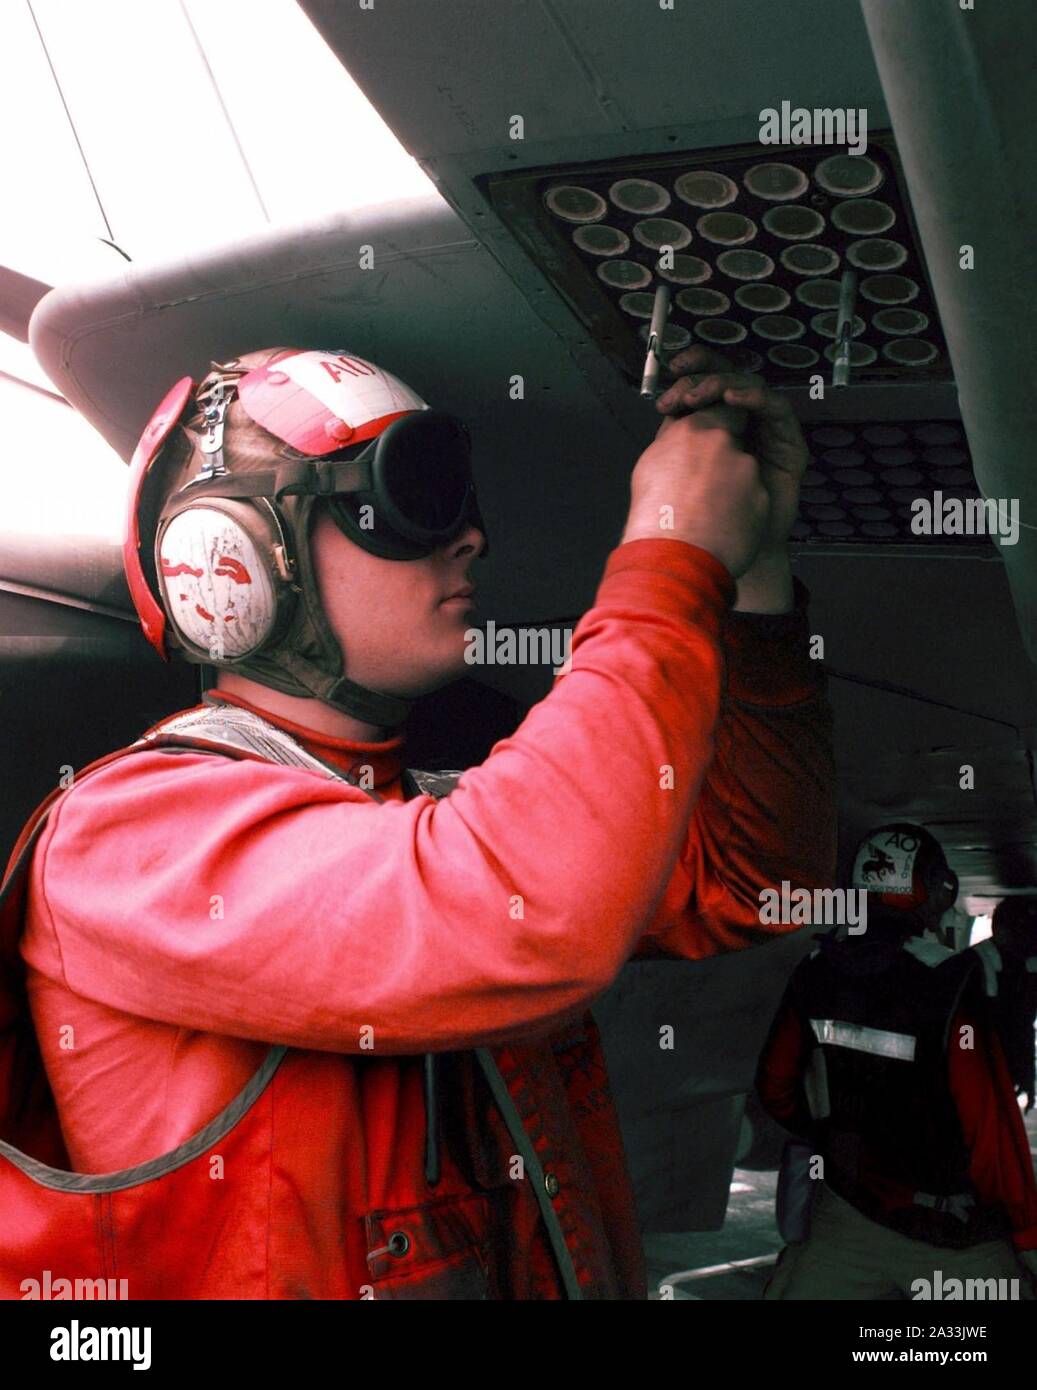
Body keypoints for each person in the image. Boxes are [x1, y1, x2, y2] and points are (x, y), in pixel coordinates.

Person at [0, 342, 835, 1300]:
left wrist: (750, 574)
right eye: (398, 502)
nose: (467, 538)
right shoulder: (126, 835)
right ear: (236, 557)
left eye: (455, 500)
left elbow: (756, 880)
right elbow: (510, 913)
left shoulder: (419, 822)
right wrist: (670, 558)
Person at [757, 822, 1037, 1300]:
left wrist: (839, 1143)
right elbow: (992, 1136)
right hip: (948, 1233)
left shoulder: (816, 970)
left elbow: (775, 1089)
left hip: (847, 1213)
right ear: (933, 892)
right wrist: (1028, 1237)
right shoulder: (950, 984)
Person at [973, 896, 1037, 1110]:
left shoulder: (1027, 968)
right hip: (979, 1069)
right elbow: (964, 1028)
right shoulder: (974, 966)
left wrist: (1026, 1076)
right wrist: (969, 1064)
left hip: (999, 1071)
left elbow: (1023, 1025)